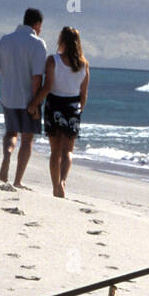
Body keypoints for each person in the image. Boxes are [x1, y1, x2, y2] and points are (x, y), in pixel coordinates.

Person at [28, 26, 89, 198]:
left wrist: (34, 104)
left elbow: (47, 87)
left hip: (54, 104)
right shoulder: (84, 64)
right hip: (73, 106)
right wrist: (78, 111)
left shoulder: (53, 60)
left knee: (55, 151)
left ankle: (55, 186)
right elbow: (83, 93)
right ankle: (63, 181)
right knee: (68, 151)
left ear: (62, 40)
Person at [0, 9, 47, 188]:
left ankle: (7, 154)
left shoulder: (5, 40)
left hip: (8, 96)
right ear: (37, 24)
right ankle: (17, 180)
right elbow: (37, 76)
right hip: (28, 99)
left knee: (11, 132)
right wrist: (35, 102)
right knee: (27, 140)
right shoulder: (37, 43)